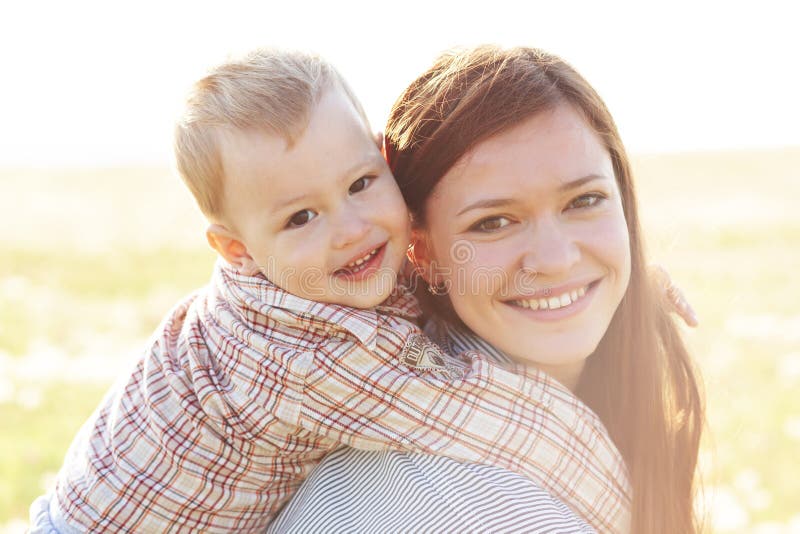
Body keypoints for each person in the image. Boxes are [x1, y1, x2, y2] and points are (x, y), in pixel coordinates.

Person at [28, 49, 633, 533]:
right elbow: (498, 419)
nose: (351, 229)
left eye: (361, 183)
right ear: (237, 250)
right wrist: (622, 511)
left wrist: (619, 281)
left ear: (383, 158)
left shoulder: (323, 274)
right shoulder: (297, 356)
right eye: (300, 218)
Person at [270, 45, 704, 534]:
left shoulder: (575, 417)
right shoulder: (477, 507)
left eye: (584, 200)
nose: (556, 259)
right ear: (423, 253)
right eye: (494, 222)